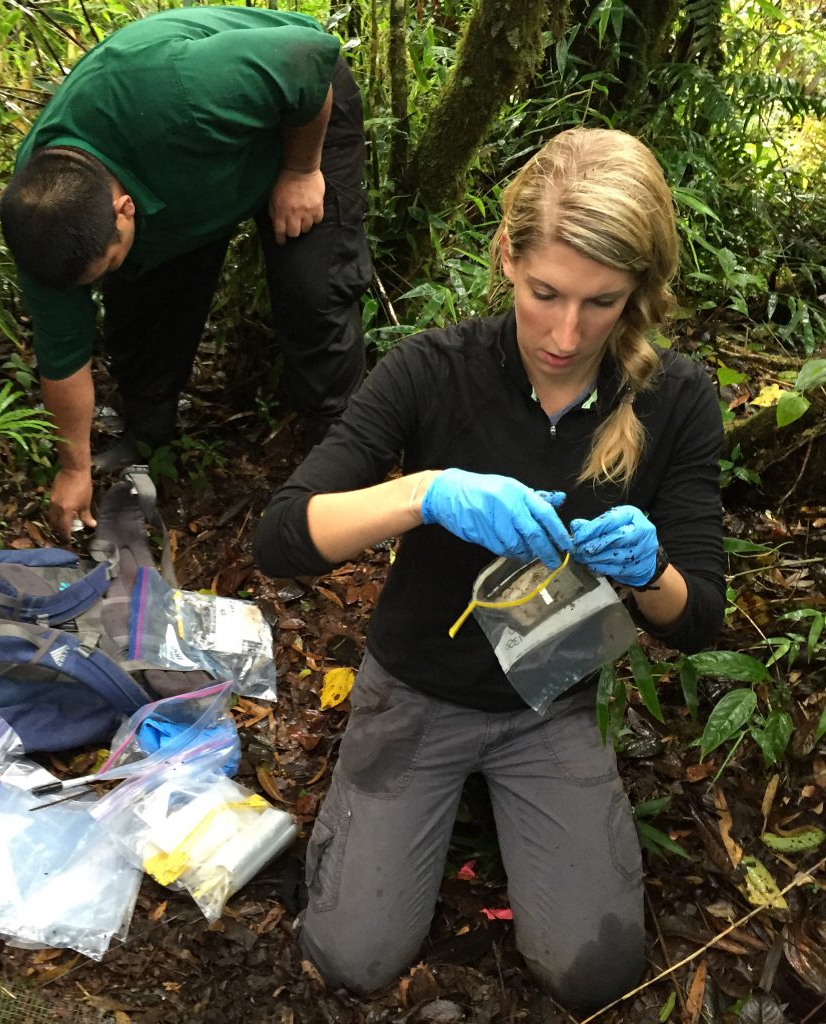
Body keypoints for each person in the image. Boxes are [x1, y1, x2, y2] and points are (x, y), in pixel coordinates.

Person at [255, 127, 725, 1011]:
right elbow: (282, 538)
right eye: (545, 292)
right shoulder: (433, 372)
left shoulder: (675, 399)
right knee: (351, 957)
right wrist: (425, 493)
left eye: (602, 302)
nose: (565, 331)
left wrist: (650, 568)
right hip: (418, 685)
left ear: (639, 293)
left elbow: (698, 616)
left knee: (596, 969)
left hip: (552, 695)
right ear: (508, 256)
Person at [0, 5, 372, 541]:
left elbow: (308, 54)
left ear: (125, 210)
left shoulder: (182, 92)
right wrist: (73, 468)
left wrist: (301, 168)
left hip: (296, 117)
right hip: (193, 181)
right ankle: (148, 434)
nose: (94, 286)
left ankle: (340, 460)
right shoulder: (42, 222)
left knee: (313, 291)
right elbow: (63, 359)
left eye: (104, 263)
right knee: (140, 302)